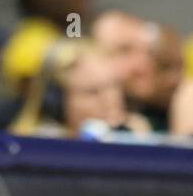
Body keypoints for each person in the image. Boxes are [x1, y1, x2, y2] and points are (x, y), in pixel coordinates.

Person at [10, 38, 151, 139]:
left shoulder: (129, 133)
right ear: (56, 103)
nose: (111, 101)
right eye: (92, 92)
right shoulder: (32, 147)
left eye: (114, 86)